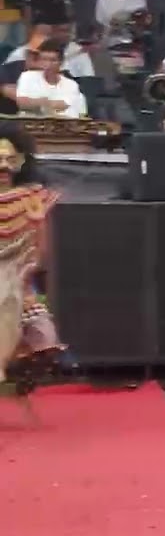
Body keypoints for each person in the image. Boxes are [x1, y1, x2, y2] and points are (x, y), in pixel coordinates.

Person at [0, 122, 65, 426]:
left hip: (19, 286)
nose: (4, 165)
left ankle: (13, 380)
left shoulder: (31, 200)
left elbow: (39, 260)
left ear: (22, 161)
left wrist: (38, 224)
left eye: (11, 159)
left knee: (45, 339)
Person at [14, 40, 87, 118]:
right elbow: (22, 103)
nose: (48, 64)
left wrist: (39, 103)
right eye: (44, 59)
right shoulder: (27, 77)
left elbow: (64, 106)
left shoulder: (71, 85)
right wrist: (47, 103)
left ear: (61, 62)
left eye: (53, 60)